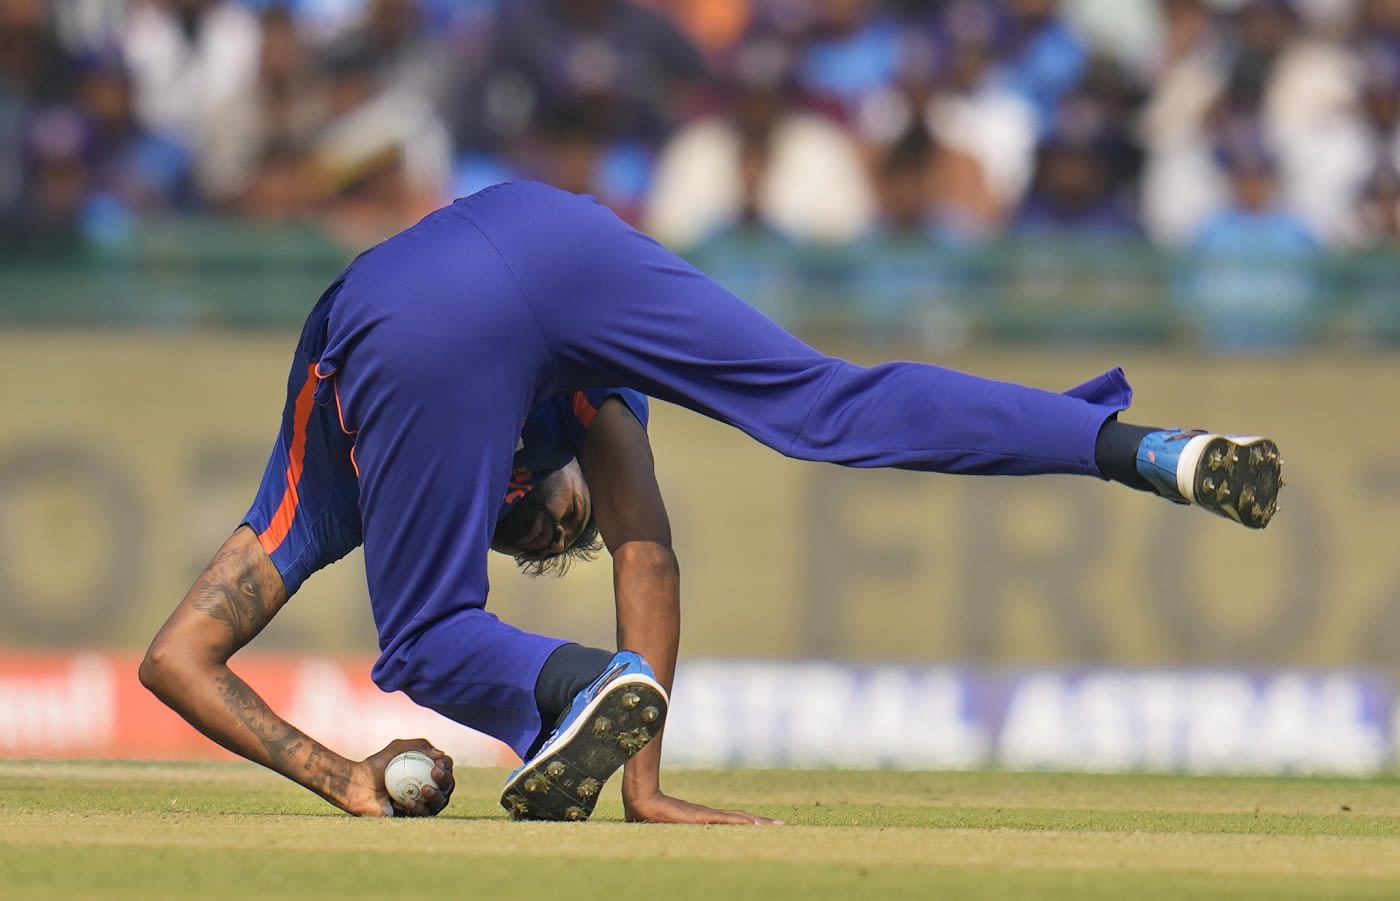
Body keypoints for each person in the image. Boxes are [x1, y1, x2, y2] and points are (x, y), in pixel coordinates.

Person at [138, 180, 1284, 825]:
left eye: (548, 518)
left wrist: (353, 775)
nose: (559, 514)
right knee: (826, 401)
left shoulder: (322, 488)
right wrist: (338, 772)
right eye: (550, 521)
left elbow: (180, 656)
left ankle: (567, 688)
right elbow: (645, 548)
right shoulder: (379, 480)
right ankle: (1133, 447)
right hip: (549, 229)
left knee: (430, 637)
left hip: (431, 288)